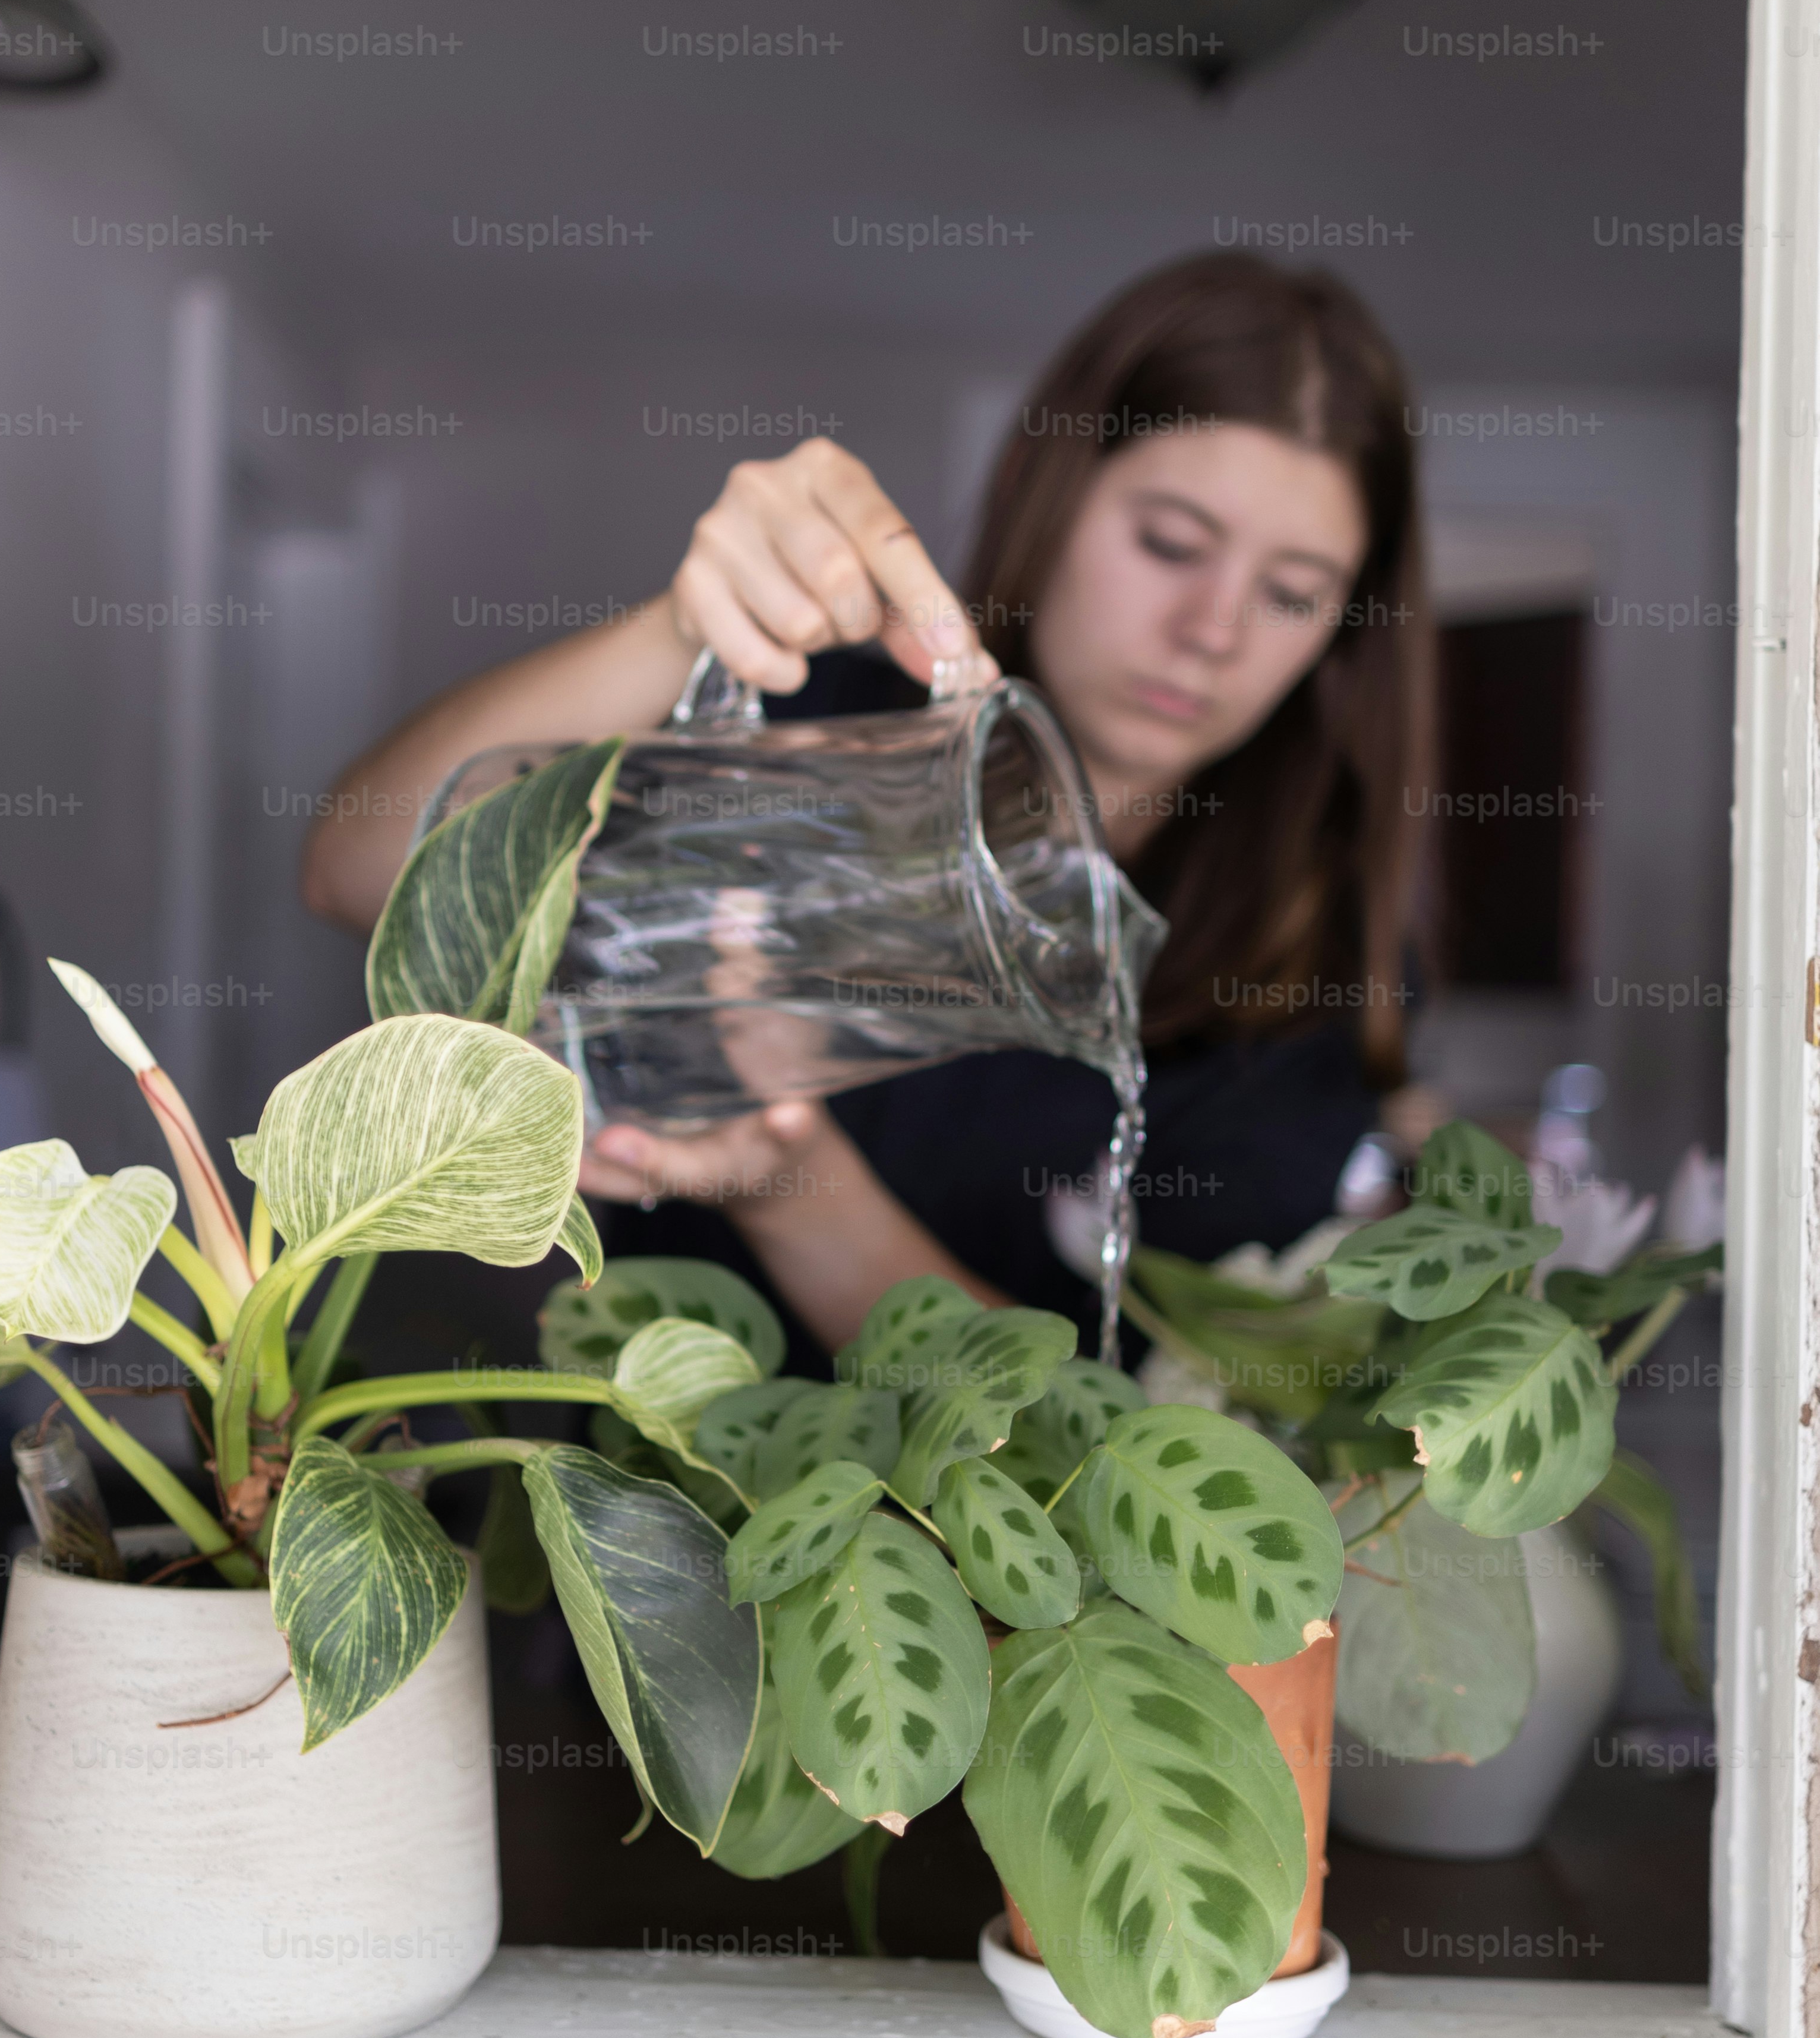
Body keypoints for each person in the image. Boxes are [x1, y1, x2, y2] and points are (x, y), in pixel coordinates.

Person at [302, 252, 1432, 1366]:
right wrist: (682, 627)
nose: (1215, 628)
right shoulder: (819, 706)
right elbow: (358, 871)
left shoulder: (1323, 959)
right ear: (1049, 491)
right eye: (1171, 544)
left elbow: (1131, 1430)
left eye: (1292, 593)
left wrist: (791, 1186)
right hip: (643, 1505)